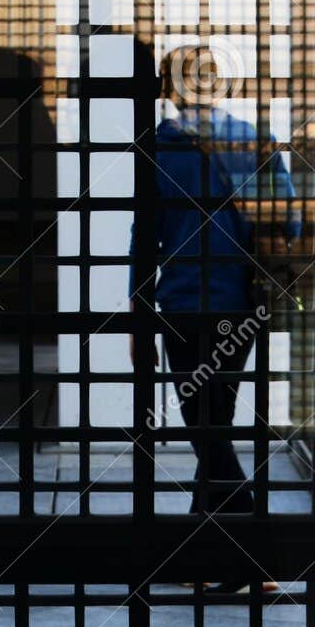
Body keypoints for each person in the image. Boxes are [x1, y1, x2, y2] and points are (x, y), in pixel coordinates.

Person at [128, 42, 301, 534]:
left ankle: (245, 532)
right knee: (215, 423)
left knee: (206, 428)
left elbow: (145, 239)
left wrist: (138, 314)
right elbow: (289, 223)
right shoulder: (256, 141)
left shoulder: (157, 148)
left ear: (166, 89)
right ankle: (207, 537)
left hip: (184, 305)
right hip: (243, 302)